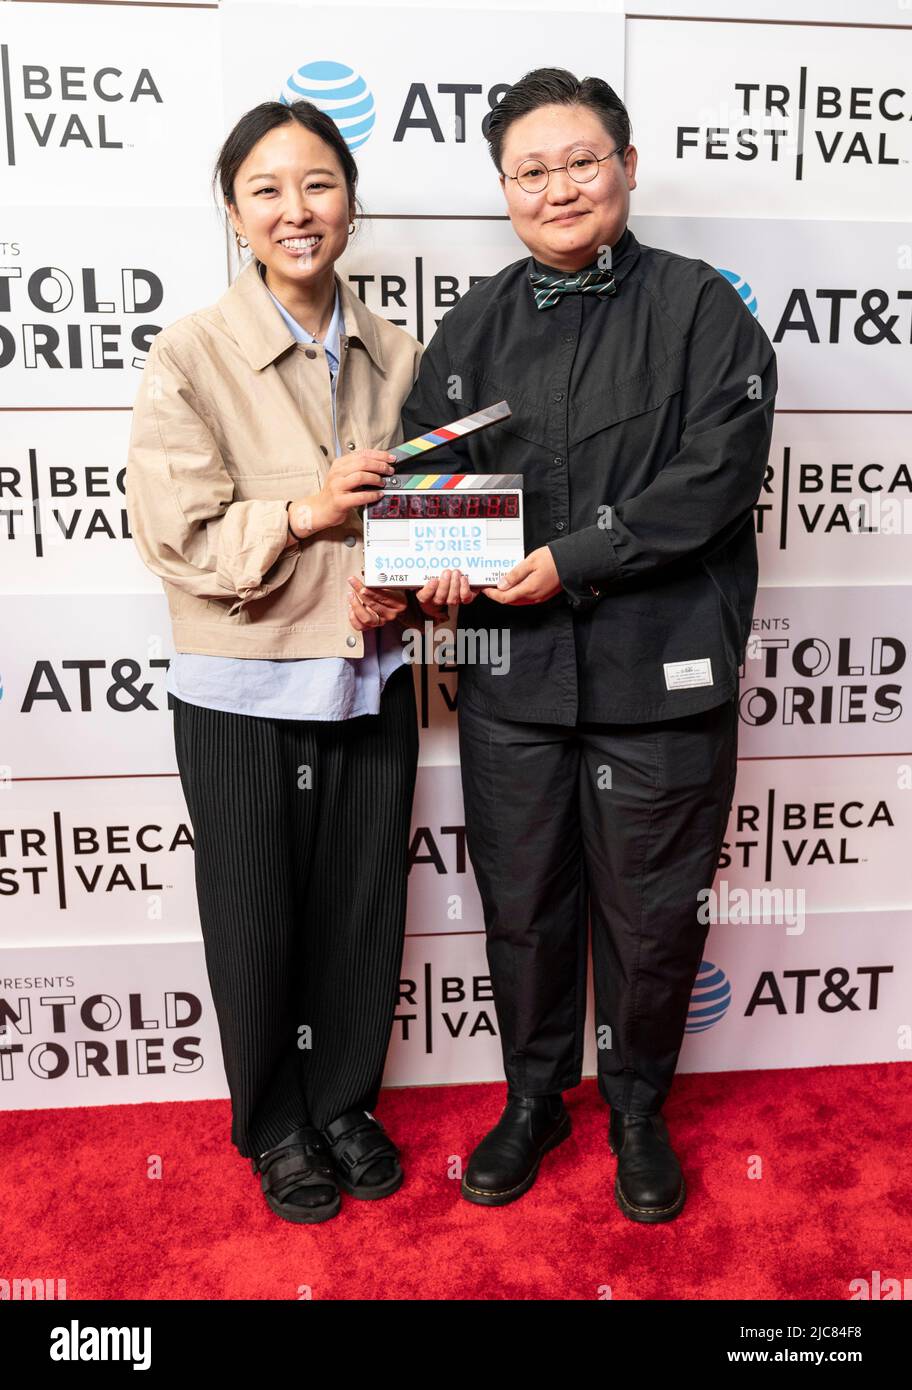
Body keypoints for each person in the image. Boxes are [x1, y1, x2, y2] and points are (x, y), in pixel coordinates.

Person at [401, 68, 778, 1222]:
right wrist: (434, 564)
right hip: (515, 681)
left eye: (580, 161)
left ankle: (638, 1108)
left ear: (624, 165)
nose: (557, 186)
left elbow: (714, 477)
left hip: (658, 677)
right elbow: (426, 472)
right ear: (503, 189)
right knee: (522, 900)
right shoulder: (471, 326)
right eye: (530, 170)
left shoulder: (703, 310)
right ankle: (531, 1097)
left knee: (653, 910)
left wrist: (577, 555)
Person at [125, 100, 443, 1224]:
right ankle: (273, 1123)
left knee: (362, 907)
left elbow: (428, 520)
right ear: (235, 216)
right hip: (242, 685)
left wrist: (405, 584)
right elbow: (180, 535)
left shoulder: (402, 353)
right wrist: (304, 517)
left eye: (318, 184)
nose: (296, 210)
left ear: (351, 200)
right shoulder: (192, 353)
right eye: (267, 189)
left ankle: (346, 1101)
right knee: (256, 912)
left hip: (372, 675)